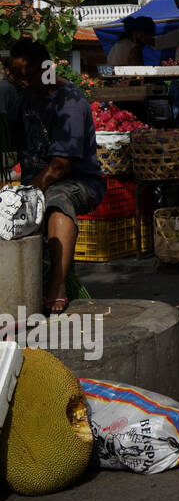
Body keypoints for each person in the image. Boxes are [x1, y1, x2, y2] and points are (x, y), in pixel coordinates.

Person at [8, 38, 105, 314]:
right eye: (15, 75)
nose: (20, 82)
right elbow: (14, 140)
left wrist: (28, 191)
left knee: (57, 200)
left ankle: (57, 286)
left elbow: (60, 166)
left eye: (25, 76)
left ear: (46, 69)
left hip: (77, 181)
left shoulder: (69, 103)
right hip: (35, 179)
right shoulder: (24, 96)